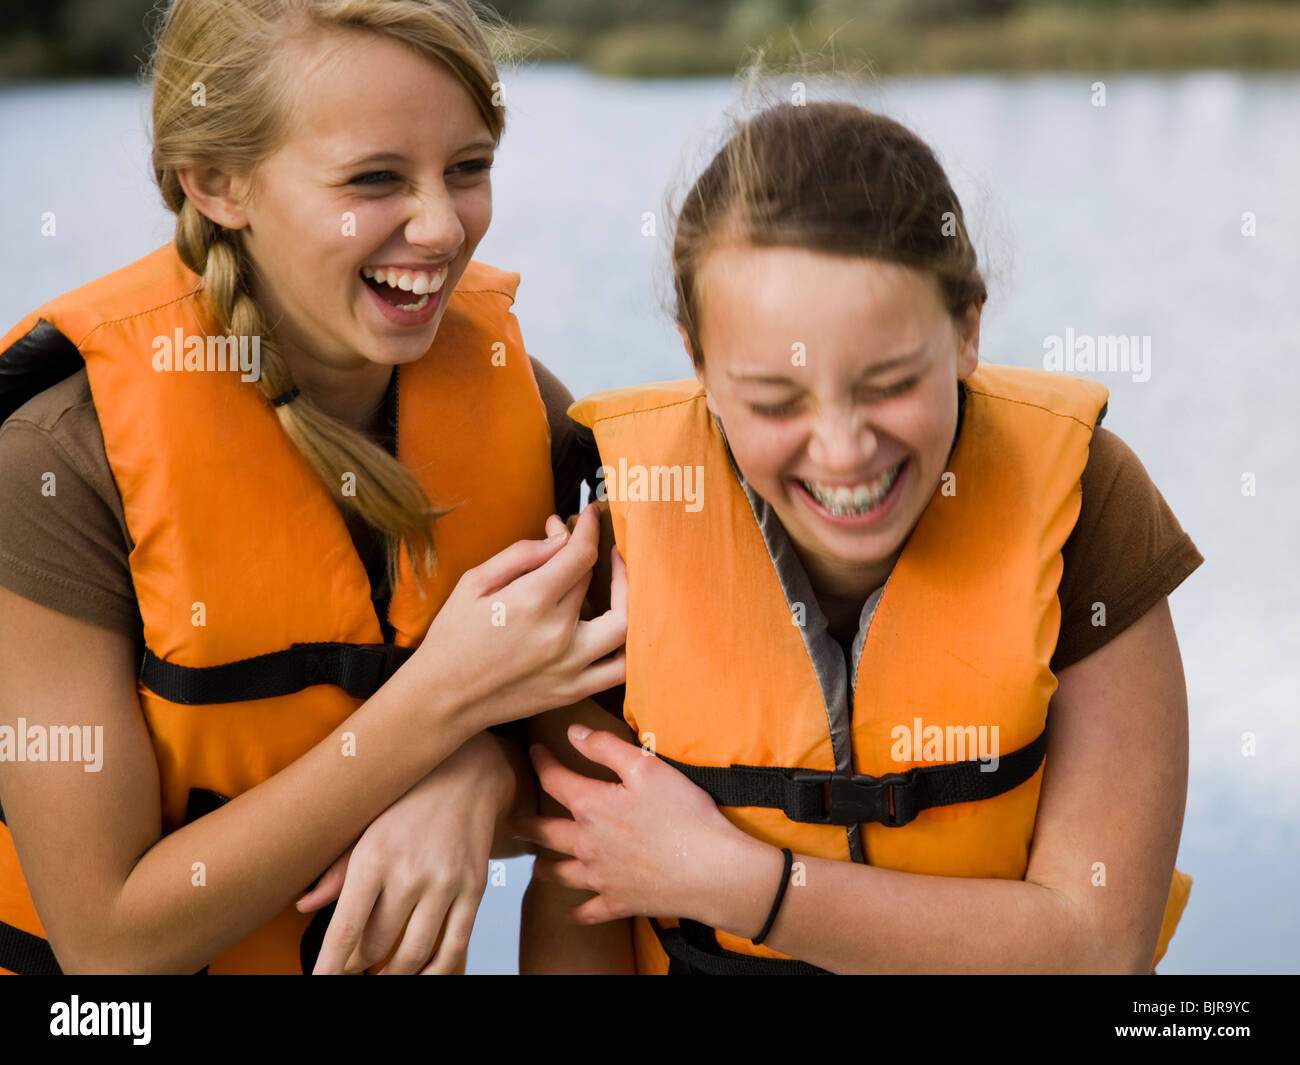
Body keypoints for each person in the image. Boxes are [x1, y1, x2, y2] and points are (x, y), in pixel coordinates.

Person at [0, 0, 625, 975]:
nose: (440, 223)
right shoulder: (56, 459)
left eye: (469, 168)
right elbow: (108, 940)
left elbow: (601, 788)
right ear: (216, 182)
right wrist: (436, 713)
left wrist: (469, 778)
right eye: (375, 180)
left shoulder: (526, 411)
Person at [514, 100, 1199, 974]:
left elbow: (1097, 948)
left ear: (966, 331)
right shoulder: (616, 518)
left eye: (889, 383)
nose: (842, 449)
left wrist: (744, 885)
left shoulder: (1089, 499)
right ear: (699, 364)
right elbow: (580, 883)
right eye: (774, 400)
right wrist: (446, 780)